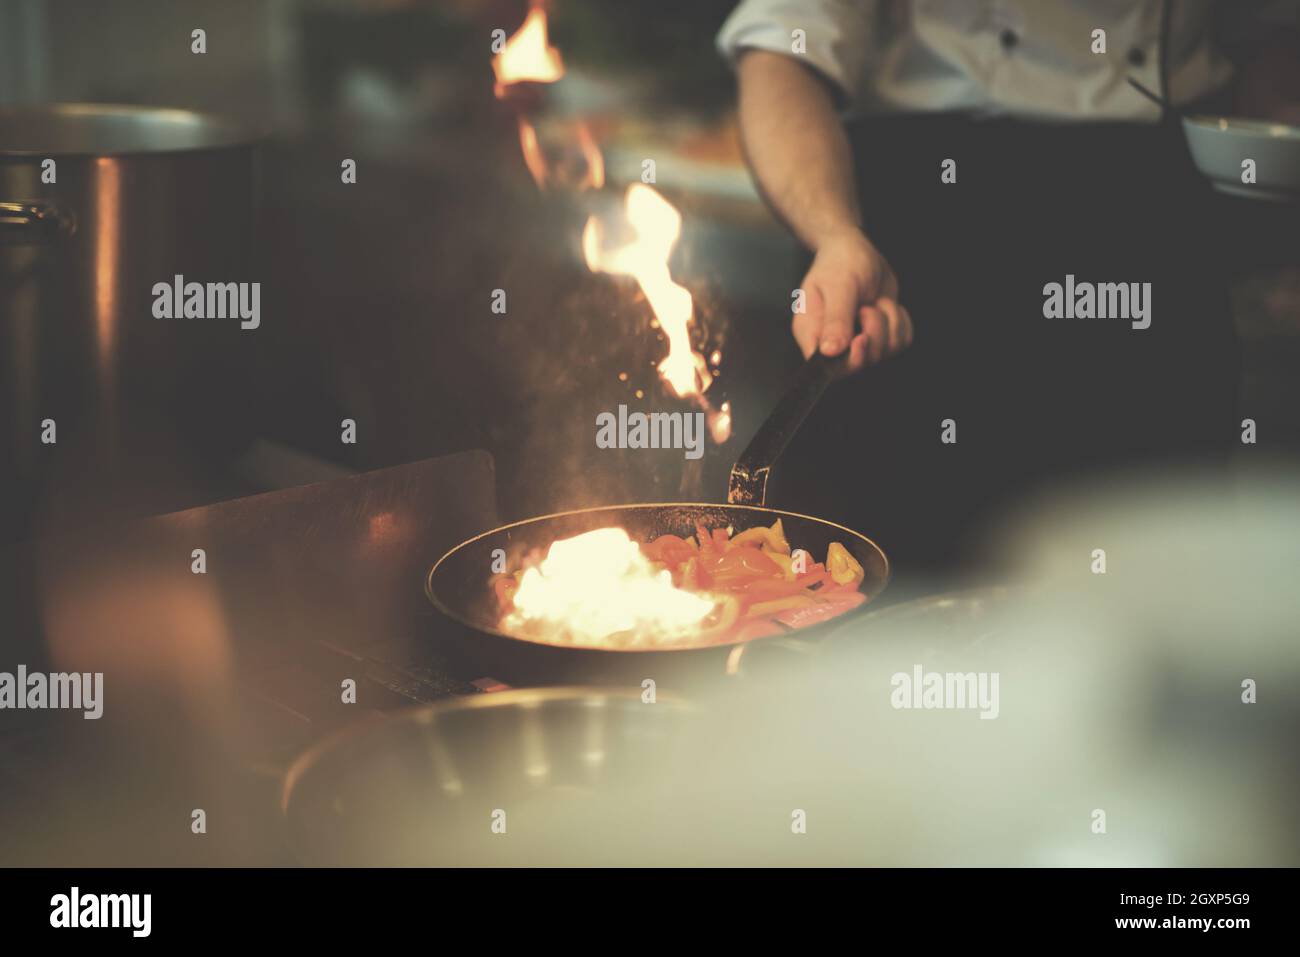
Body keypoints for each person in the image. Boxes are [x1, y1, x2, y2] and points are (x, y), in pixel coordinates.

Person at [717, 0, 1299, 588]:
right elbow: (782, 47)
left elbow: (1269, 43)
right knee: (883, 593)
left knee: (1150, 586)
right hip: (931, 238)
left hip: (1155, 227)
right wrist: (835, 234)